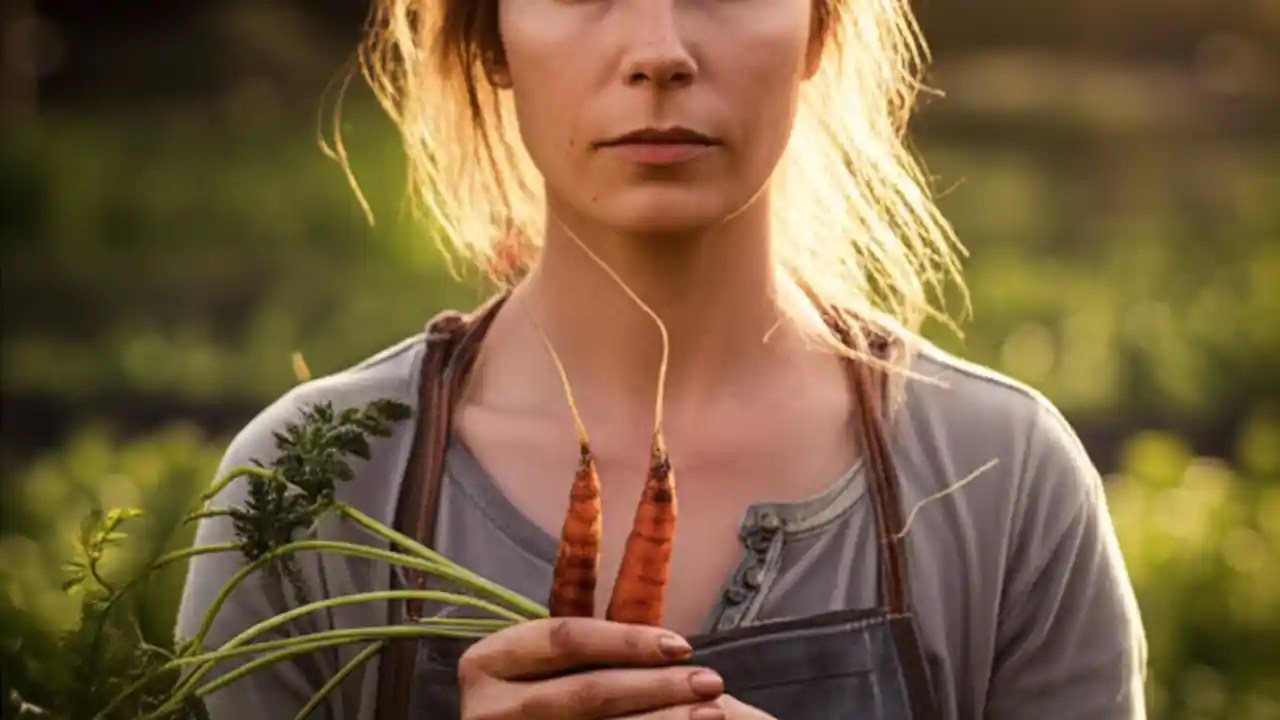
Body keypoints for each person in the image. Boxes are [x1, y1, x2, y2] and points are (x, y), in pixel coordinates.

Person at [177, 0, 1149, 718]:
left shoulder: (999, 477)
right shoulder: (311, 489)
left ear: (817, 28)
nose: (658, 52)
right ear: (487, 39)